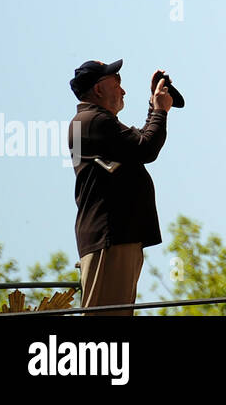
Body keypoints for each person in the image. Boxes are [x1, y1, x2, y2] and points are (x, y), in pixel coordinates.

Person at [68, 59, 174, 315]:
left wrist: (154, 107)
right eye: (117, 83)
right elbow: (145, 148)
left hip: (115, 238)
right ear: (98, 89)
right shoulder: (93, 121)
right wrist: (160, 111)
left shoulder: (92, 121)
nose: (123, 91)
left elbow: (136, 145)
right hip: (111, 238)